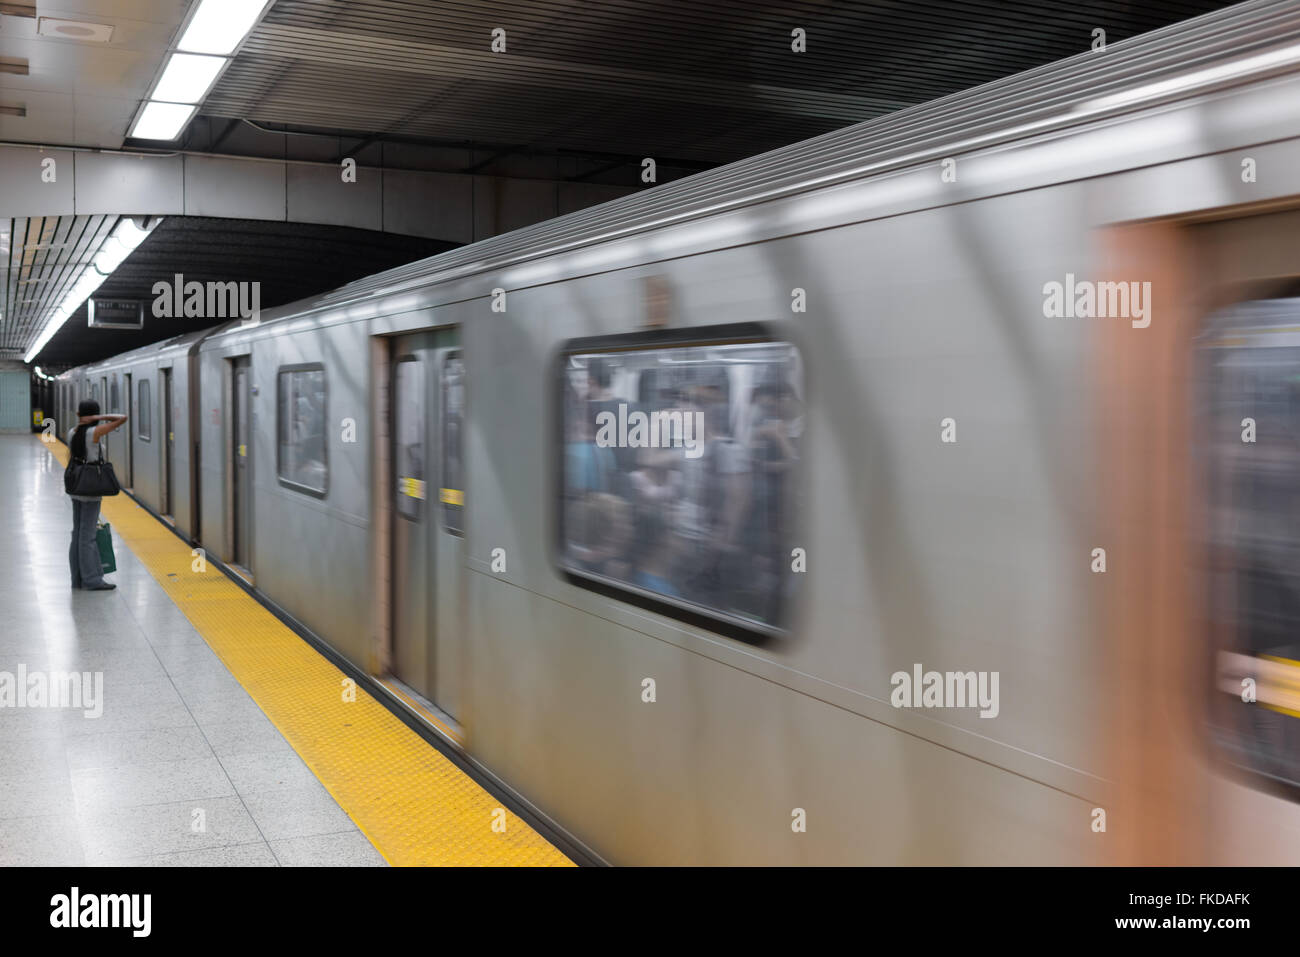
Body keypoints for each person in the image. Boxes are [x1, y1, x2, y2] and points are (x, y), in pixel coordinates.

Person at [68, 400, 127, 591]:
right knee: (88, 536)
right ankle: (92, 580)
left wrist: (85, 419)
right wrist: (98, 418)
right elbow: (122, 418)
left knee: (77, 534)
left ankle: (77, 579)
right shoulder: (93, 433)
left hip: (76, 486)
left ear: (79, 414)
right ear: (93, 415)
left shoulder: (73, 432)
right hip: (90, 489)